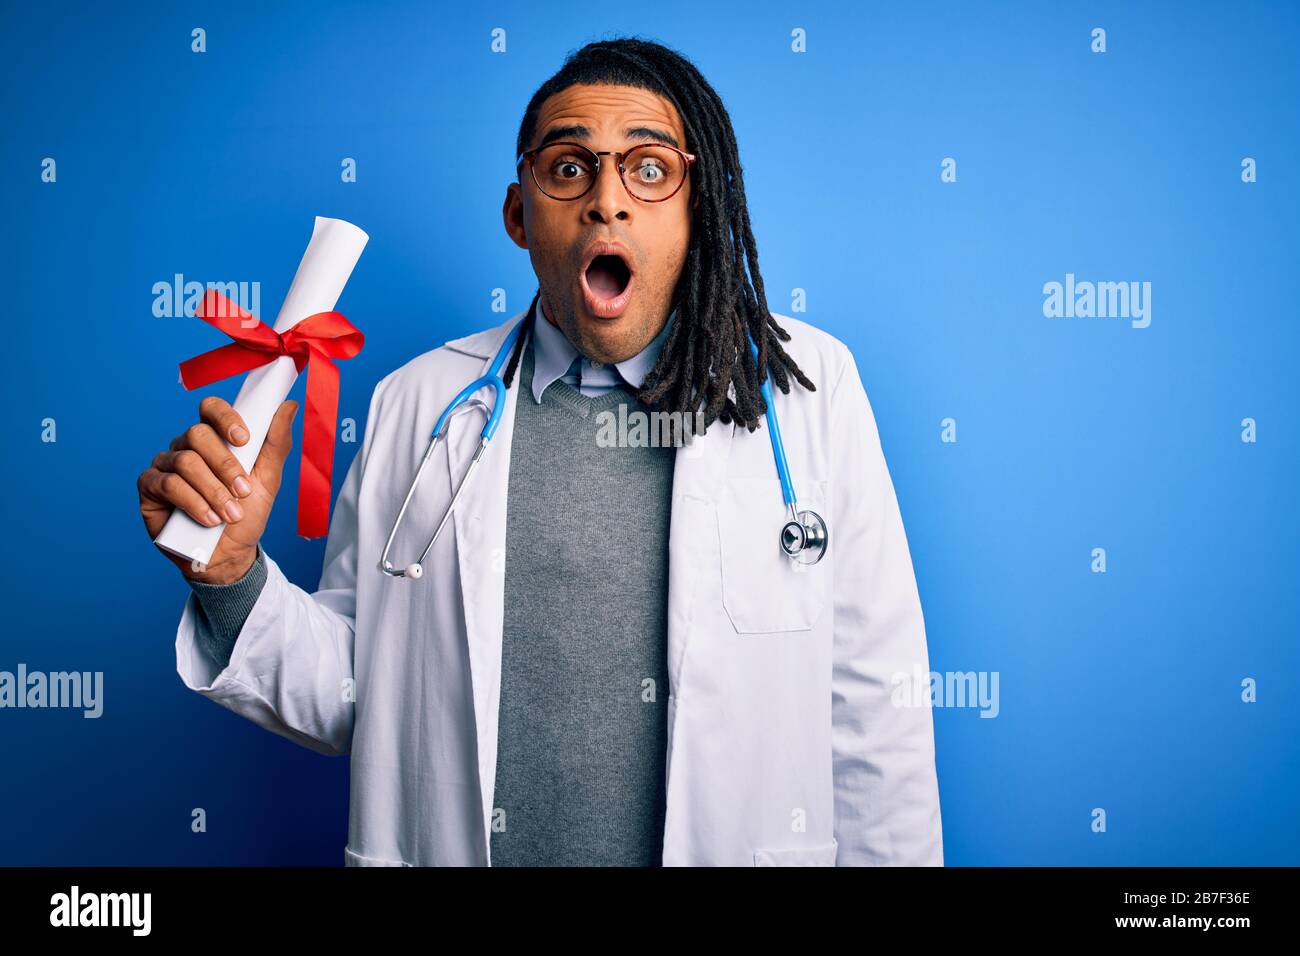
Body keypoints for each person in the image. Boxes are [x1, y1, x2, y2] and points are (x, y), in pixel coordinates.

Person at [136, 37, 944, 867]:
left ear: (697, 207)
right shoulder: (416, 405)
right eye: (568, 168)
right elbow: (359, 692)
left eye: (650, 168)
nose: (607, 202)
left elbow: (876, 717)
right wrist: (230, 575)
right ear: (520, 216)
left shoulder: (807, 391)